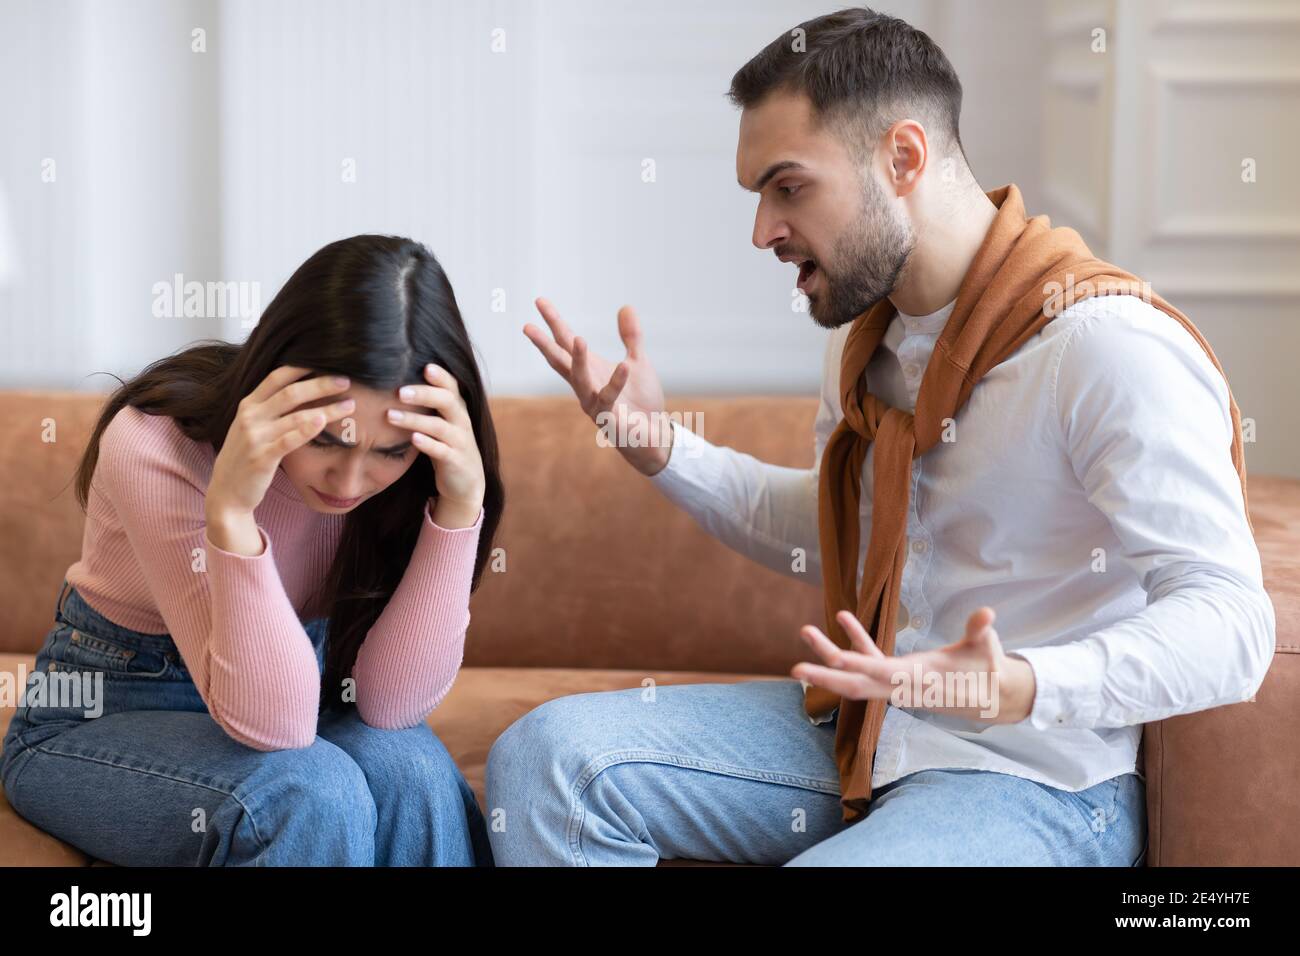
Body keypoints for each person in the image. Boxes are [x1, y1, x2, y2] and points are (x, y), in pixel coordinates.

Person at [488, 7, 1274, 866]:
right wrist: (661, 448)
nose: (762, 232)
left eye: (788, 187)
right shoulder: (865, 342)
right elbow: (843, 522)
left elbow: (1232, 623)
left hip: (1032, 776)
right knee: (551, 762)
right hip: (869, 733)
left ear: (903, 157)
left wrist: (1016, 684)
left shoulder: (1103, 346)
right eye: (757, 196)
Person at [1, 234, 503, 866]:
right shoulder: (156, 445)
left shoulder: (417, 479)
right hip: (97, 714)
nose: (348, 484)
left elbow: (388, 706)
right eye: (324, 439)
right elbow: (280, 730)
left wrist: (457, 511)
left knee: (414, 770)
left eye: (390, 452)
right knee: (307, 791)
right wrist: (232, 513)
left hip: (297, 696)